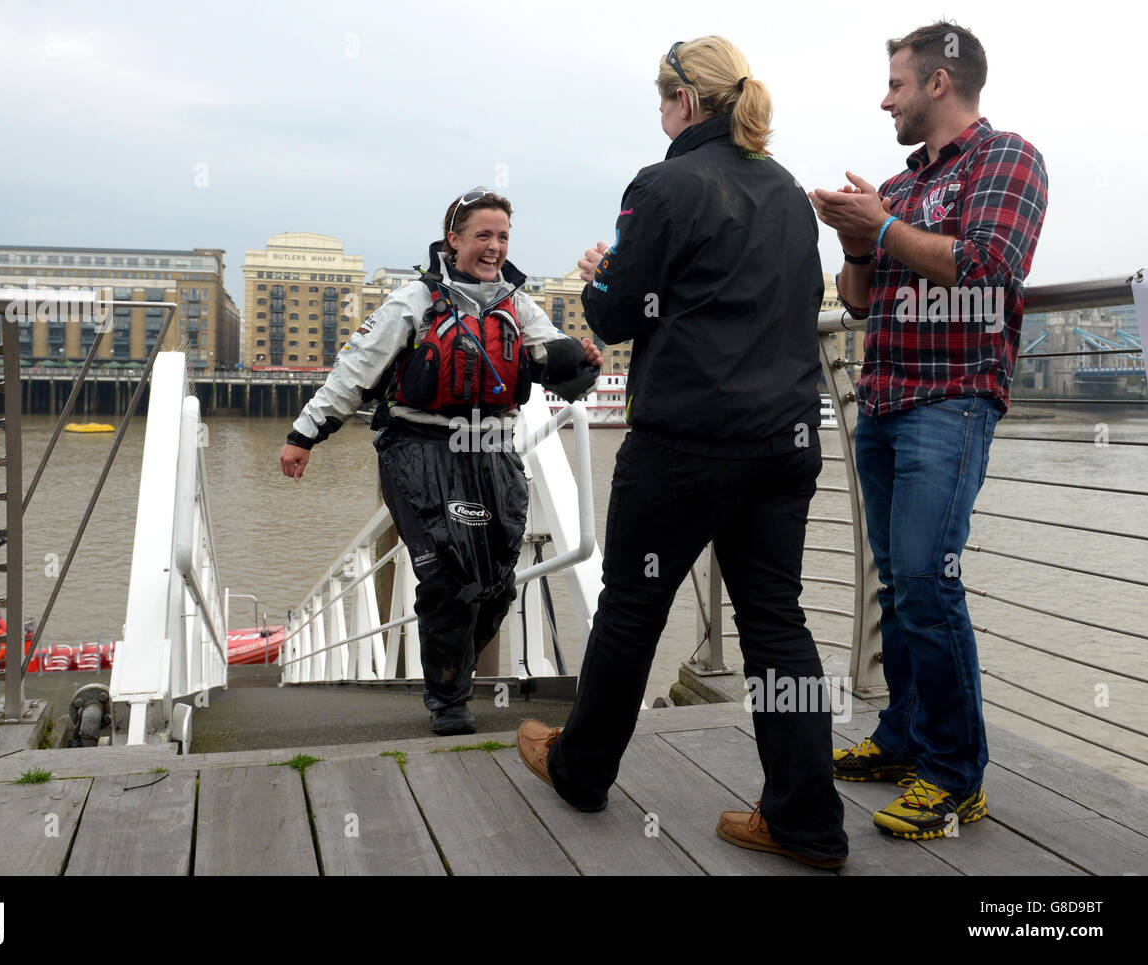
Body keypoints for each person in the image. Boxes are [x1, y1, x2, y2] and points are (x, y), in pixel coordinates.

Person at [515, 36, 849, 869]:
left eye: (661, 96)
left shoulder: (664, 184)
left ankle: (582, 769)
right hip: (785, 441)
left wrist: (599, 274)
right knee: (777, 622)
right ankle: (807, 818)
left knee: (632, 608)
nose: (658, 112)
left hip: (688, 445)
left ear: (686, 101)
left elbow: (618, 316)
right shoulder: (784, 193)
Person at [807, 22, 1048, 839]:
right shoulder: (898, 185)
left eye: (897, 85)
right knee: (899, 581)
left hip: (953, 398)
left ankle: (954, 774)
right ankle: (904, 736)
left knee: (925, 576)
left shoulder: (1006, 159)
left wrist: (879, 229)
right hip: (882, 401)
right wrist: (854, 241)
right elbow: (861, 301)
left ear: (939, 83)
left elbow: (986, 270)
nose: (886, 100)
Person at [280, 189, 601, 736]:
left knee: (497, 583)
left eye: (502, 236)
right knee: (446, 576)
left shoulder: (518, 305)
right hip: (418, 449)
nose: (494, 246)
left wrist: (582, 365)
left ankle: (455, 670)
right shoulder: (414, 301)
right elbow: (354, 369)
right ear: (454, 240)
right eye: (483, 235)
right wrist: (305, 434)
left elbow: (554, 360)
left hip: (492, 450)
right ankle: (448, 702)